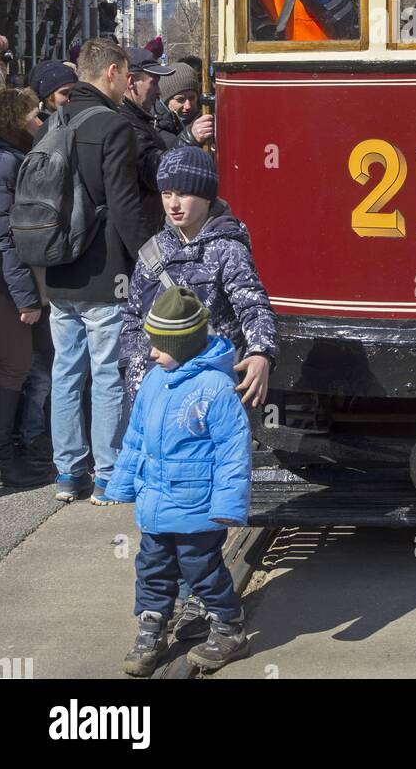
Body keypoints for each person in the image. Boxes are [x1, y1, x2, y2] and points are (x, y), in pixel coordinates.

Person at [106, 284, 252, 676]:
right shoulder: (155, 381)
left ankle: (228, 626)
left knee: (201, 568)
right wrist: (119, 485)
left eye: (161, 345)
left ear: (185, 345)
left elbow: (232, 453)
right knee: (151, 568)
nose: (152, 353)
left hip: (197, 508)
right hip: (155, 505)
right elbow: (135, 437)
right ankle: (151, 629)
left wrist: (228, 506)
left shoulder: (217, 389)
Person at [43, 40, 149, 504]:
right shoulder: (113, 125)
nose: (130, 84)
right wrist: (152, 257)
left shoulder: (54, 121)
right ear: (110, 72)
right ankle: (107, 474)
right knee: (106, 373)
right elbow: (123, 205)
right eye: (127, 75)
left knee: (65, 372)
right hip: (104, 270)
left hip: (57, 270)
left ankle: (68, 474)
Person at [119, 146, 277, 408]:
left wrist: (262, 352)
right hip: (155, 389)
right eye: (166, 194)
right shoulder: (153, 250)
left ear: (206, 197)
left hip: (207, 391)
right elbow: (133, 316)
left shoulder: (227, 249)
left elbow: (254, 307)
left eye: (183, 194)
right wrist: (135, 378)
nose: (173, 204)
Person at [0, 88, 54, 488]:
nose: (38, 121)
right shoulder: (6, 165)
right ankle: (6, 459)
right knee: (14, 367)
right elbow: (6, 238)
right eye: (33, 116)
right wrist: (26, 298)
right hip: (6, 287)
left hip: (7, 283)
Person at [120, 48, 214, 235]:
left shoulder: (142, 119)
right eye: (153, 83)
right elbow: (155, 171)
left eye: (192, 98)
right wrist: (190, 139)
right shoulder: (127, 123)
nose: (158, 91)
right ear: (131, 82)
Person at [154, 63, 202, 149]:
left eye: (192, 98)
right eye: (180, 100)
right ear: (166, 100)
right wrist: (190, 138)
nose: (188, 106)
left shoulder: (205, 118)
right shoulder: (155, 127)